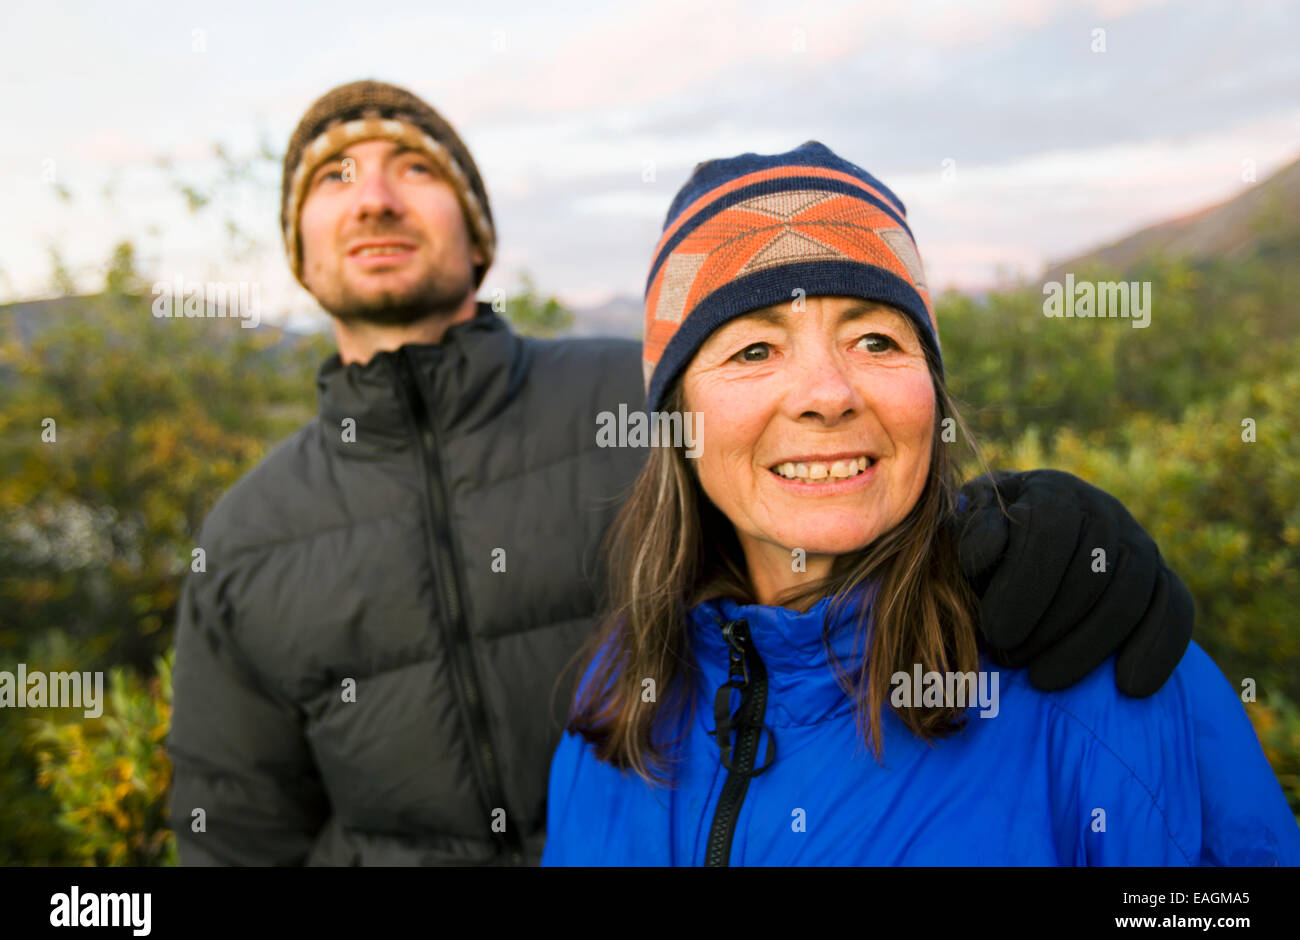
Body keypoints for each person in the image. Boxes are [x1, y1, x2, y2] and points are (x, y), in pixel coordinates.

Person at [166, 82, 1195, 866]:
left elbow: (835, 475)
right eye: (334, 178)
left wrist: (1053, 535)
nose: (376, 196)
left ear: (478, 231)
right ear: (297, 250)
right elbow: (236, 834)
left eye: (416, 167)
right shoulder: (249, 533)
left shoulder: (635, 394)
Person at [541, 142, 1300, 866]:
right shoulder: (618, 701)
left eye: (875, 340)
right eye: (754, 350)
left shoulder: (1101, 674)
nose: (828, 394)